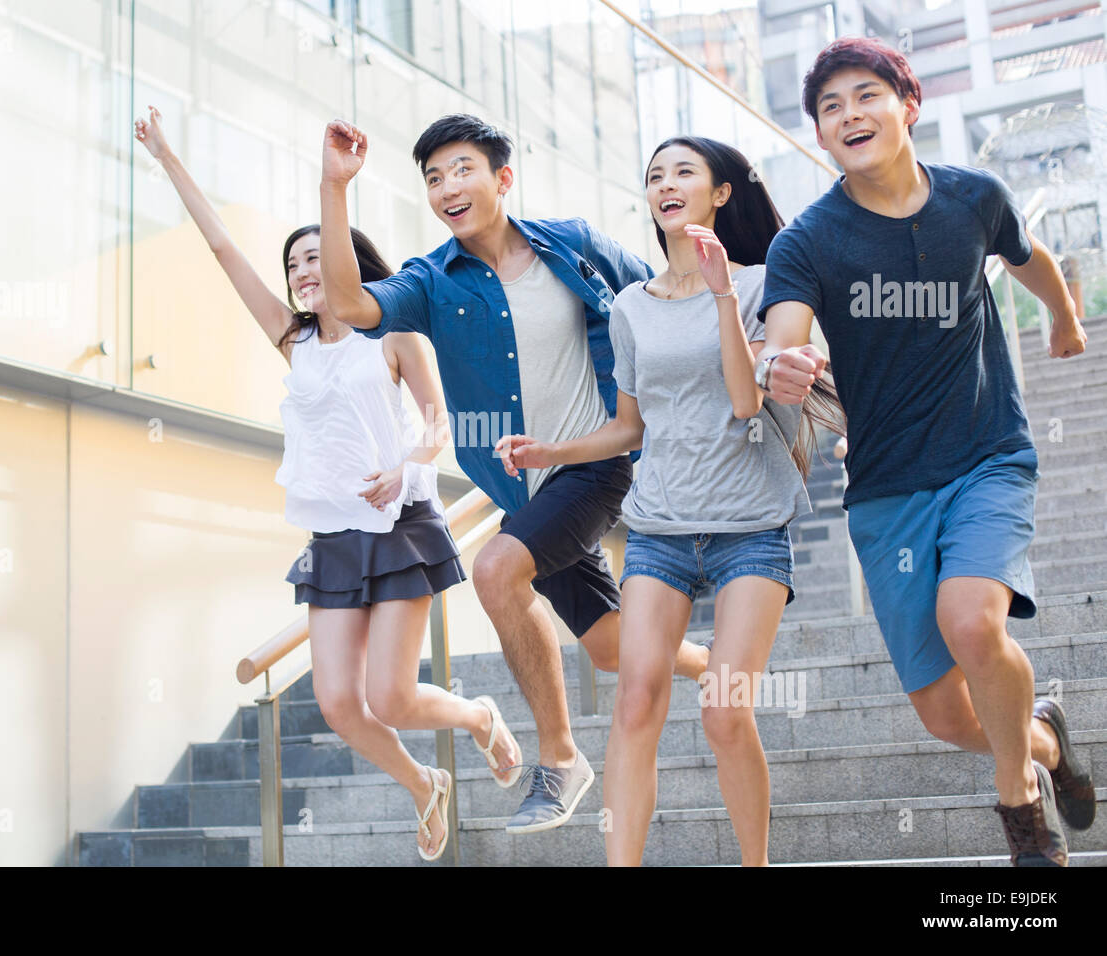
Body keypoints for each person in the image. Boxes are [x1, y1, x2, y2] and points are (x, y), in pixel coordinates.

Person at [134, 105, 521, 862]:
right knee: (341, 705)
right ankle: (423, 786)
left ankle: (478, 717)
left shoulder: (395, 329)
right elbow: (220, 249)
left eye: (317, 259)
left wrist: (406, 466)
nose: (305, 274)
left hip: (402, 526)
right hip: (336, 537)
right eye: (295, 266)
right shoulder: (294, 341)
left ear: (349, 262)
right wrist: (169, 156)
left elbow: (439, 425)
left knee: (393, 698)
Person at [317, 114, 712, 834]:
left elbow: (660, 297)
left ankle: (560, 760)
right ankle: (719, 669)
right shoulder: (432, 281)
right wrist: (336, 186)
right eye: (433, 178)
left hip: (595, 464)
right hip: (522, 487)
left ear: (501, 178)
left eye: (462, 169)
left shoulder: (575, 244)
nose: (447, 188)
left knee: (497, 569)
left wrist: (741, 337)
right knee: (606, 644)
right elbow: (348, 304)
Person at [756, 37, 1094, 867]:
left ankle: (1020, 814)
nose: (848, 115)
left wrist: (1063, 316)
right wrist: (784, 364)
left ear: (907, 105)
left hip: (988, 456)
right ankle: (1046, 741)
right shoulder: (808, 240)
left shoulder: (974, 198)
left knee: (972, 622)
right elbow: (784, 334)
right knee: (946, 717)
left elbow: (1027, 256)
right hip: (885, 489)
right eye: (830, 108)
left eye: (865, 95)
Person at [495, 136, 844, 865]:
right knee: (635, 701)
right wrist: (550, 451)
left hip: (750, 526)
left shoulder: (762, 284)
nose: (665, 184)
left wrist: (720, 292)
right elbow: (630, 425)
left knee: (724, 713)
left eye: (684, 171)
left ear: (721, 193)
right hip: (658, 529)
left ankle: (756, 862)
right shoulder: (630, 306)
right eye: (654, 175)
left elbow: (749, 400)